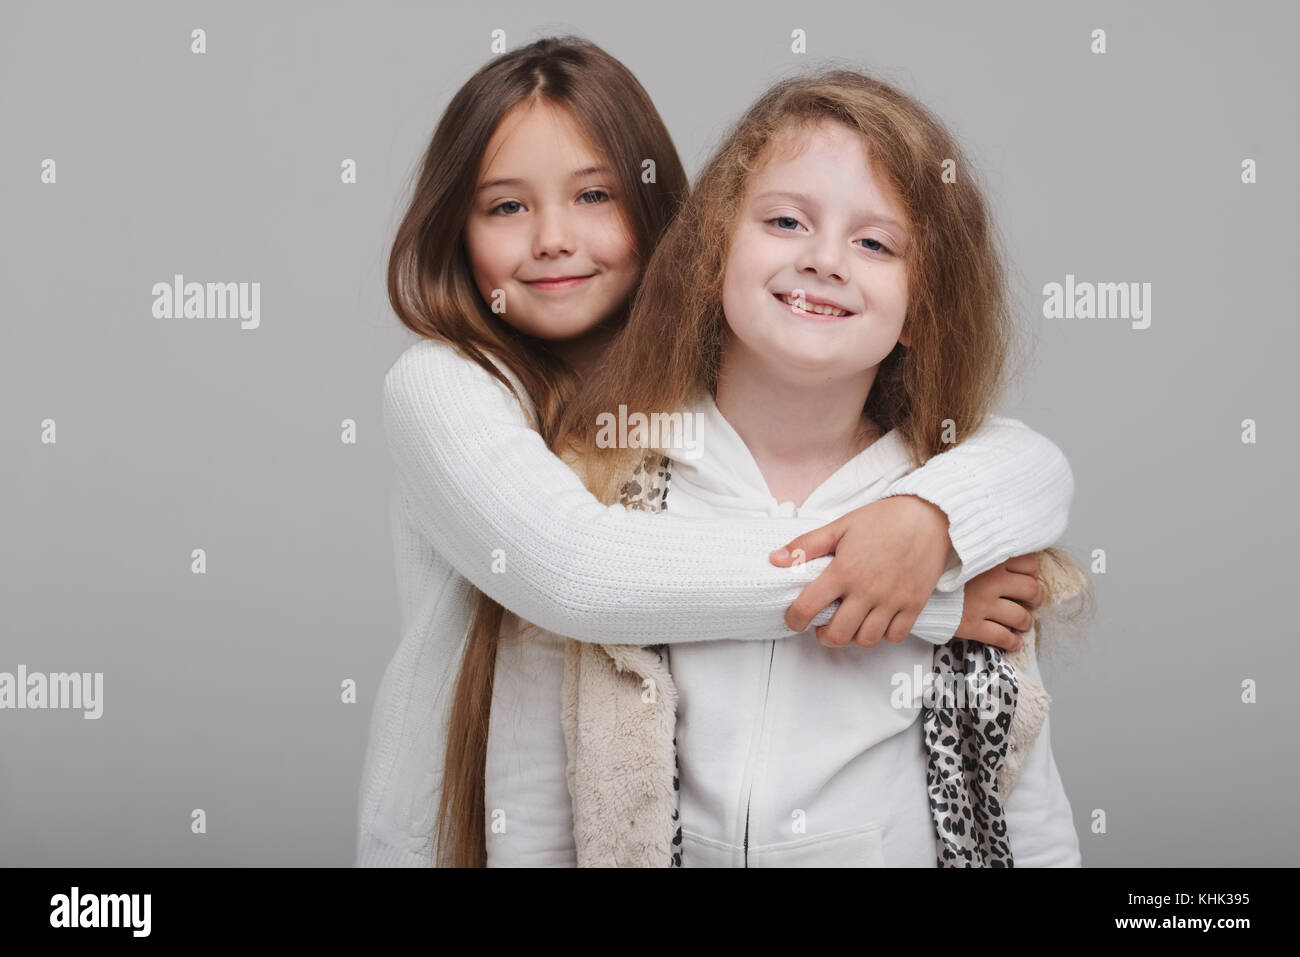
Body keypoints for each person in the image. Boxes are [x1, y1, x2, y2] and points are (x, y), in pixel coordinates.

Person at [360, 37, 1073, 869]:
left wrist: (931, 521)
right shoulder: (450, 388)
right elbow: (580, 574)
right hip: (446, 834)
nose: (554, 238)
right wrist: (919, 594)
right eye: (506, 206)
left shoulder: (729, 380)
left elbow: (1020, 457)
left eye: (594, 194)